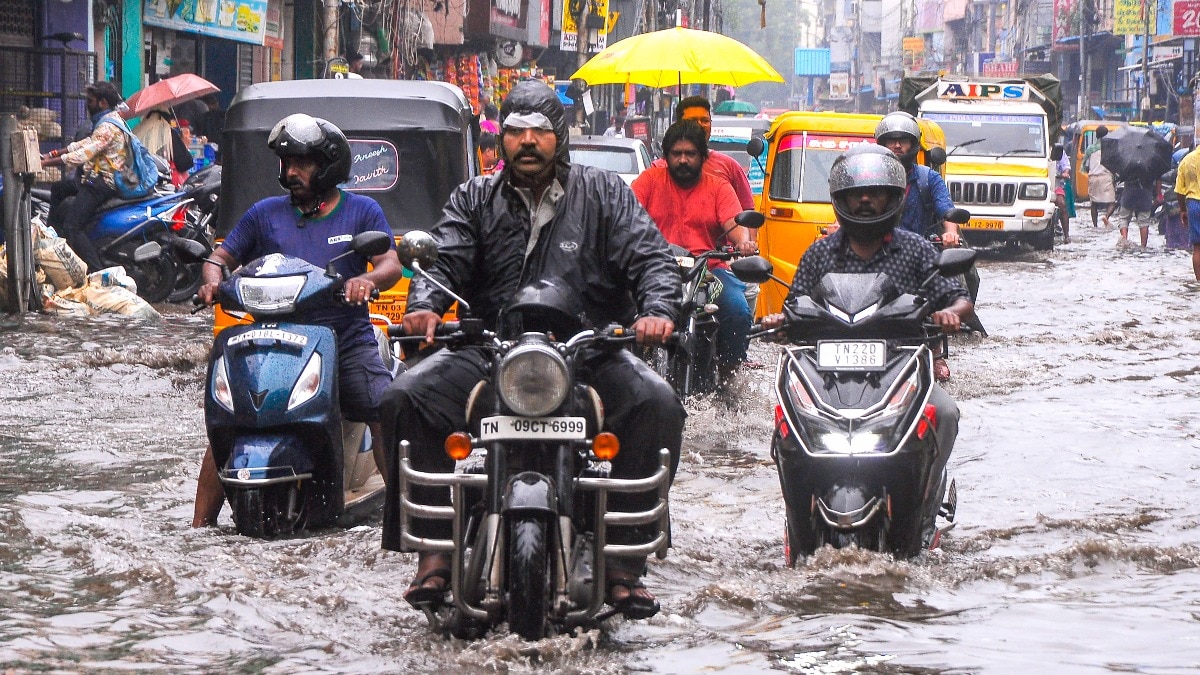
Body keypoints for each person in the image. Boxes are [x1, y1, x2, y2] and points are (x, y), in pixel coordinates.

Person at [384, 80, 684, 619]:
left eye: (539, 131)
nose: (527, 141)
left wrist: (657, 310)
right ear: (502, 139)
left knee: (657, 402)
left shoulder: (605, 193)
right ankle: (433, 550)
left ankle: (624, 563)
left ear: (560, 137)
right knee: (405, 395)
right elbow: (443, 258)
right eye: (516, 131)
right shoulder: (473, 196)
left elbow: (649, 256)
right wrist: (426, 304)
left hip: (588, 350)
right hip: (491, 349)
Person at [190, 113, 404, 527]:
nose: (291, 172)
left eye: (302, 163)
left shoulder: (362, 210)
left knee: (383, 408)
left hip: (344, 337)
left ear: (329, 165)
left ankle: (401, 515)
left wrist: (366, 280)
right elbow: (221, 257)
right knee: (226, 420)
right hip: (271, 339)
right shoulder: (264, 214)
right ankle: (198, 529)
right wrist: (212, 282)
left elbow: (390, 263)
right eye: (286, 163)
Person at [761, 145, 974, 383]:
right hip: (824, 378)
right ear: (842, 198)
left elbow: (961, 300)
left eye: (875, 193)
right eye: (856, 194)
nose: (865, 199)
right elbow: (794, 307)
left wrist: (949, 313)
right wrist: (779, 323)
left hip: (903, 373)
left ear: (892, 198)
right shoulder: (819, 253)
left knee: (945, 412)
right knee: (785, 408)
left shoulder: (917, 249)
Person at [632, 119, 756, 380]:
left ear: (703, 156)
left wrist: (743, 241)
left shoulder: (718, 186)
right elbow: (626, 216)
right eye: (677, 154)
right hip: (653, 268)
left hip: (708, 271)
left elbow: (735, 223)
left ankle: (728, 377)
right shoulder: (649, 181)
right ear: (666, 157)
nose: (683, 160)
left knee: (737, 310)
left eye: (690, 154)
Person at [38, 80, 129, 274]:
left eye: (90, 101)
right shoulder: (108, 120)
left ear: (102, 102)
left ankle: (97, 272)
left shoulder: (107, 127)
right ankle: (53, 242)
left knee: (73, 226)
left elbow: (83, 154)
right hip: (92, 177)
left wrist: (46, 163)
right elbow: (85, 143)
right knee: (59, 189)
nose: (87, 104)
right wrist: (52, 154)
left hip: (101, 183)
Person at [651, 96, 754, 211]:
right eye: (693, 121)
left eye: (705, 120)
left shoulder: (730, 167)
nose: (699, 125)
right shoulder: (658, 169)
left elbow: (748, 211)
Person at [874, 112, 960, 246]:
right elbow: (852, 209)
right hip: (878, 253)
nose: (897, 145)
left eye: (903, 141)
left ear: (913, 144)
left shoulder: (929, 178)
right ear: (882, 143)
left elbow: (946, 211)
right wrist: (838, 226)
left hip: (920, 254)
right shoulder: (869, 176)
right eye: (891, 141)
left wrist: (951, 233)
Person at [132, 106, 194, 187]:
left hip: (140, 183)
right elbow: (184, 163)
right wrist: (185, 145)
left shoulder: (135, 132)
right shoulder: (167, 133)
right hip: (164, 185)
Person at [1175, 144, 1200, 279]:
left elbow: (1179, 191)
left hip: (1194, 204)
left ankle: (1198, 281)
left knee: (1197, 248)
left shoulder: (1187, 160)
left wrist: (1183, 210)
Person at [1083, 126, 1117, 228]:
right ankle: (1106, 217)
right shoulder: (1110, 149)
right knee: (1111, 203)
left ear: (1096, 135)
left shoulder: (1090, 149)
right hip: (1106, 177)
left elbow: (1085, 166)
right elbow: (1113, 166)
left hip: (1093, 177)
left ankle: (1095, 226)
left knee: (1094, 204)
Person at [1114, 174, 1157, 248]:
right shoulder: (1151, 165)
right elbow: (1157, 179)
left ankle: (1124, 241)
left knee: (1124, 218)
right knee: (1144, 221)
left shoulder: (1128, 164)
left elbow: (1121, 177)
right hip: (1145, 194)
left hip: (1129, 193)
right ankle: (1143, 246)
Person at [1054, 151, 1073, 244]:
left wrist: (1065, 172)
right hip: (1035, 186)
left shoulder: (1058, 151)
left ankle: (1066, 235)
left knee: (1062, 204)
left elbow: (1065, 165)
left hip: (1056, 185)